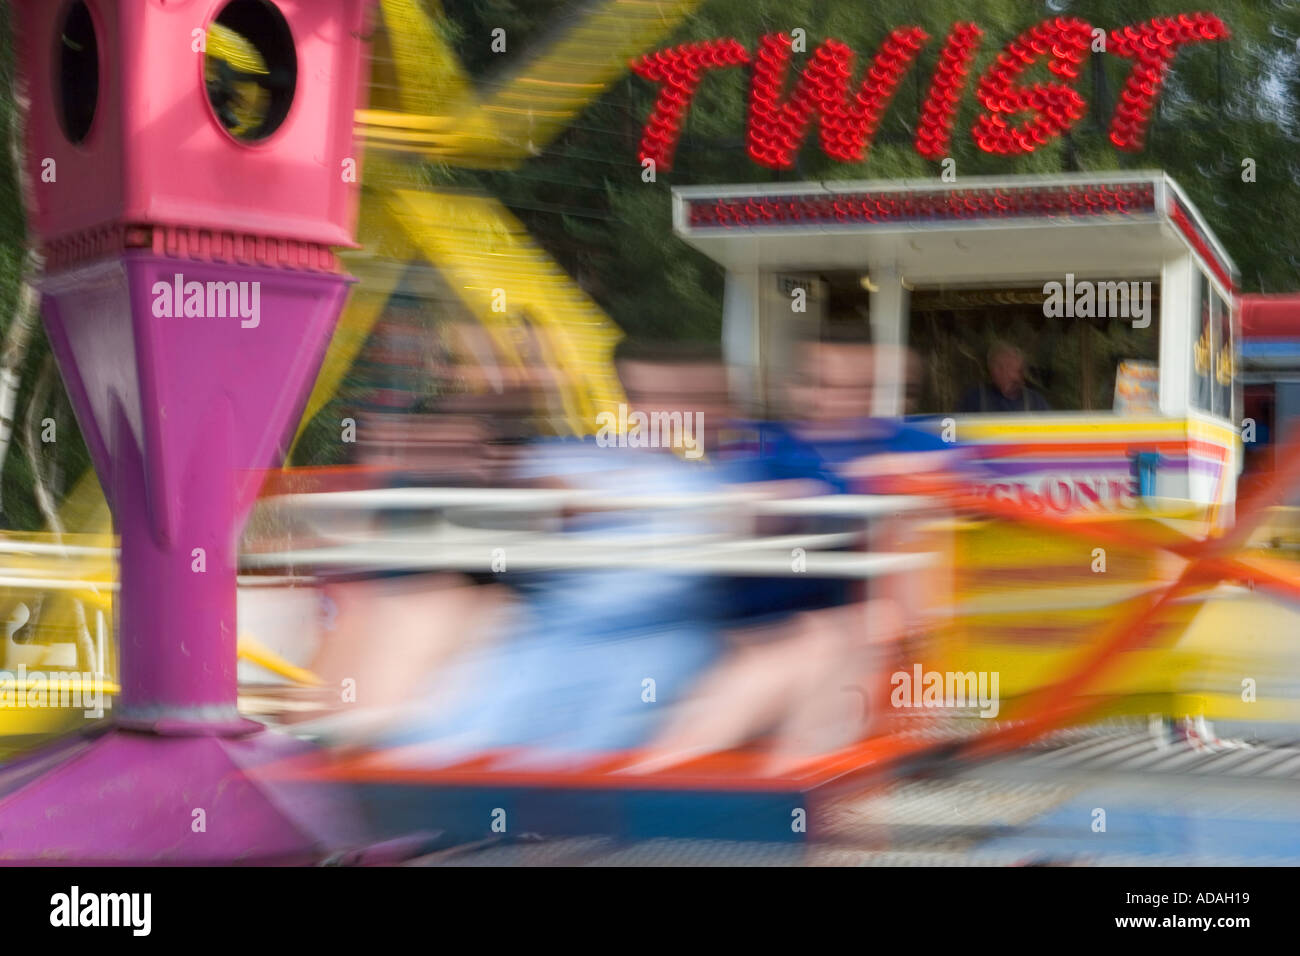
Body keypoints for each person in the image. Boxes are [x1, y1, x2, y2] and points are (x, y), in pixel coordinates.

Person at [958, 341, 1049, 413]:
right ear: (993, 371)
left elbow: (1050, 433)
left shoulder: (1036, 401)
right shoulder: (974, 399)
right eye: (1000, 368)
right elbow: (956, 432)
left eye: (1018, 370)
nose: (1018, 377)